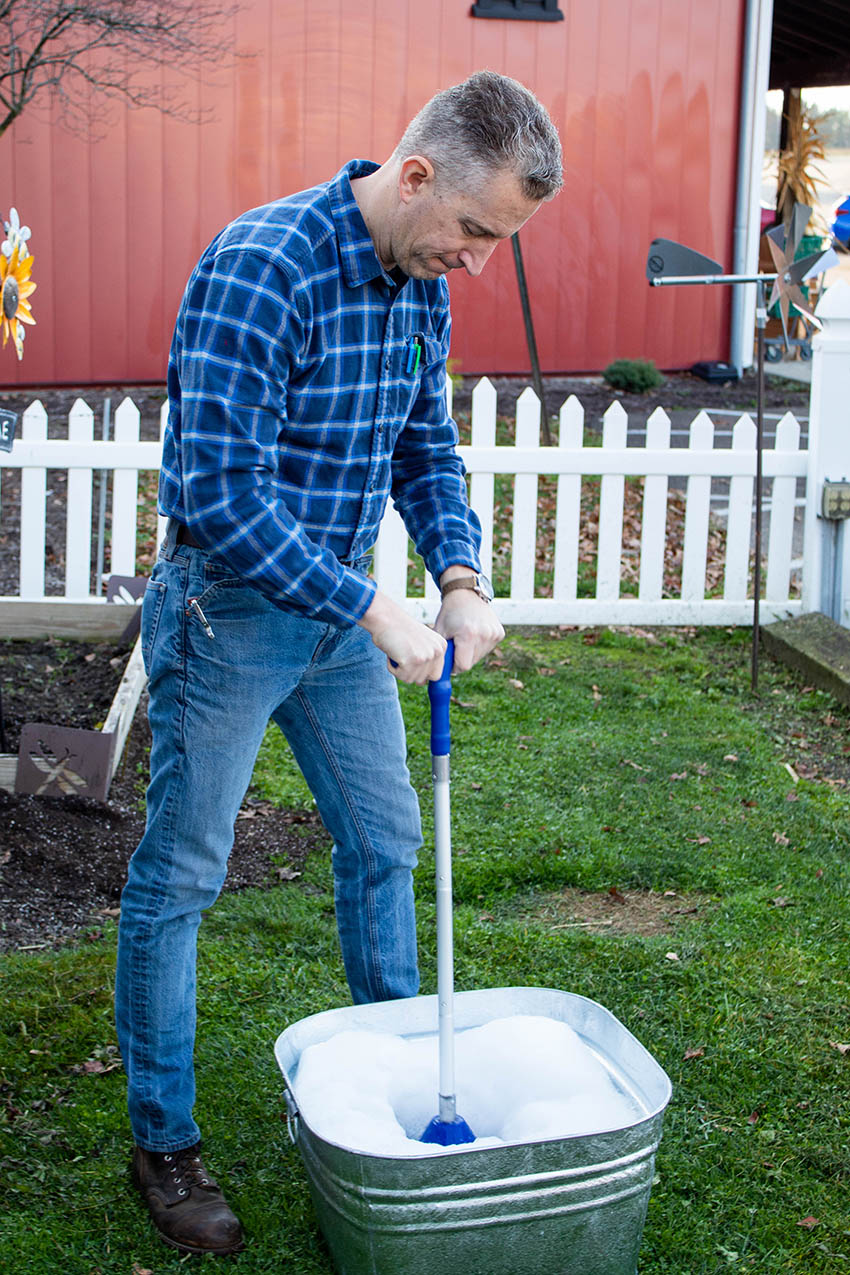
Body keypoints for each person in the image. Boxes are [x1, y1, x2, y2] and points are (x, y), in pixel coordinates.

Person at [116, 68, 562, 1256]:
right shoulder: (263, 265)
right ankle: (163, 1137)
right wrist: (374, 603)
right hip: (230, 615)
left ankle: (383, 1084)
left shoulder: (422, 280)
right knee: (184, 877)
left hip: (336, 623)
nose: (473, 263)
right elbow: (218, 493)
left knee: (386, 838)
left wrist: (458, 575)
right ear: (412, 175)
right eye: (471, 232)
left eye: (494, 245)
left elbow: (424, 439)